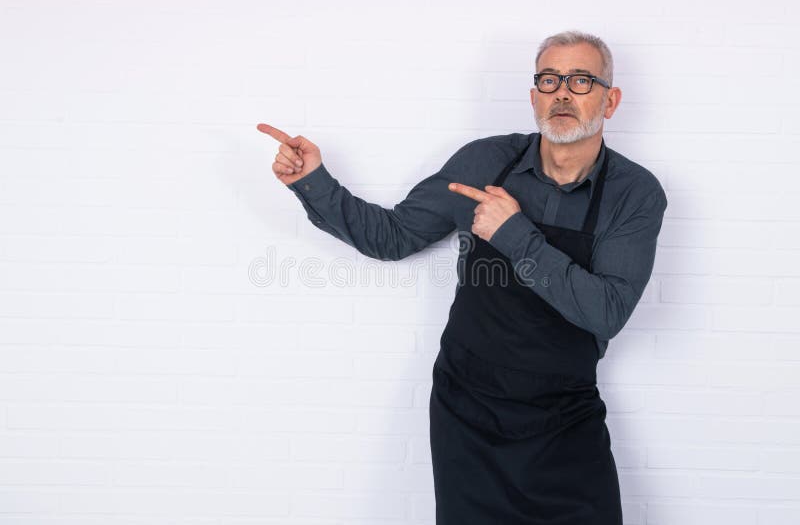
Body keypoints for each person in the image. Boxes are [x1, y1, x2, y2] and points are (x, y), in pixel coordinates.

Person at [258, 30, 667, 525]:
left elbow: (606, 311)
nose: (562, 93)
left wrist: (513, 232)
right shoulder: (485, 162)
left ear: (610, 100)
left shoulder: (634, 193)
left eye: (581, 80)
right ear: (534, 96)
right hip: (467, 412)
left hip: (564, 415)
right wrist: (313, 181)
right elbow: (393, 236)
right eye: (549, 79)